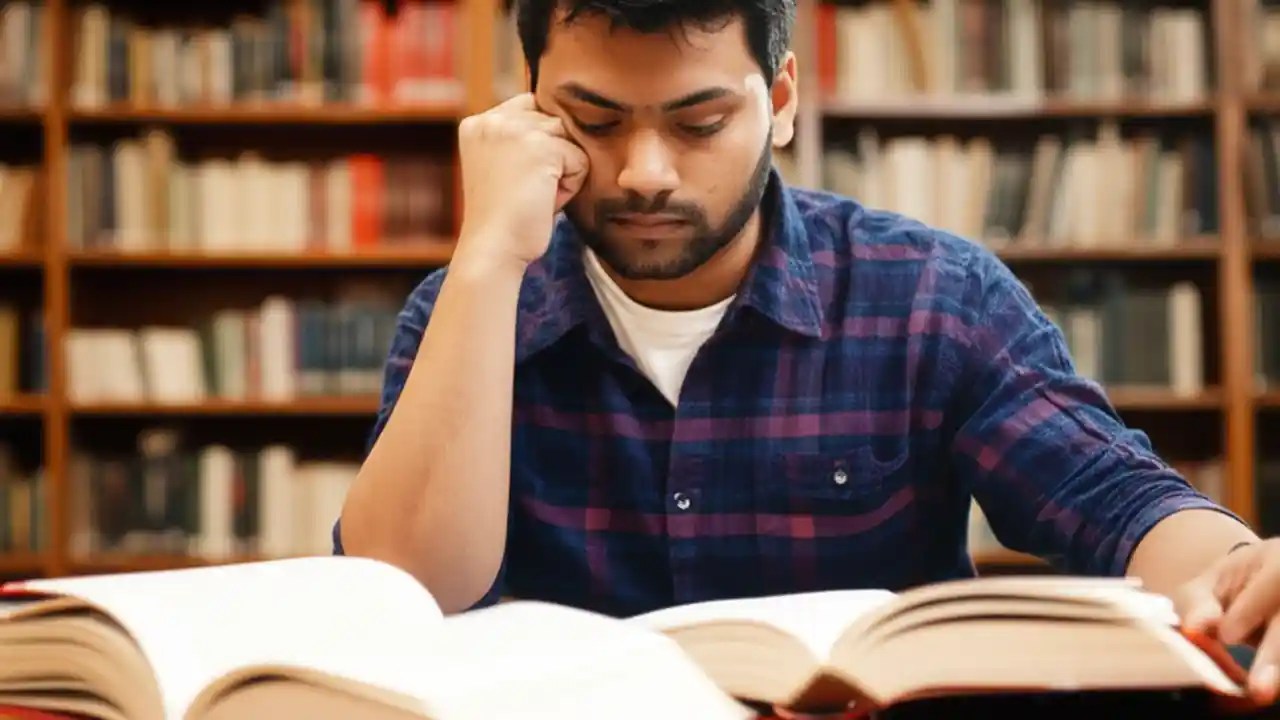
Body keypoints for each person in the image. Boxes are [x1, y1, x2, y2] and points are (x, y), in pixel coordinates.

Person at [334, 0, 1280, 702]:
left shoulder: (931, 296)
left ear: (779, 101)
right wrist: (490, 253)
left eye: (699, 123)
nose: (645, 174)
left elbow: (1117, 501)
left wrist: (1244, 581)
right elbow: (404, 597)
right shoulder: (467, 308)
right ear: (529, 109)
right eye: (594, 121)